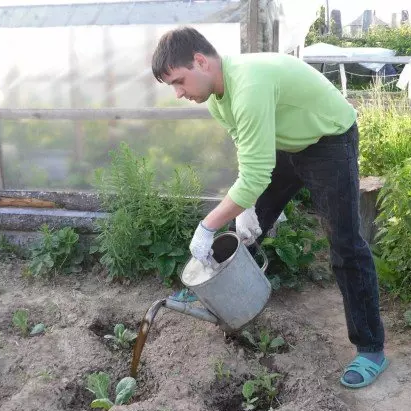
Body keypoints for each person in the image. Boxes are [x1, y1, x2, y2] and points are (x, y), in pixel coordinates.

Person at [151, 27, 388, 388]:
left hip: (327, 140)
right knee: (248, 226)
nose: (179, 93)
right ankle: (222, 295)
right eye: (173, 86)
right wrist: (246, 208)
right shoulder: (216, 97)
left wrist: (208, 225)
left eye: (179, 81)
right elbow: (248, 153)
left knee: (345, 244)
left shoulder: (248, 84)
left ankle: (371, 348)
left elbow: (255, 177)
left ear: (201, 61)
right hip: (284, 141)